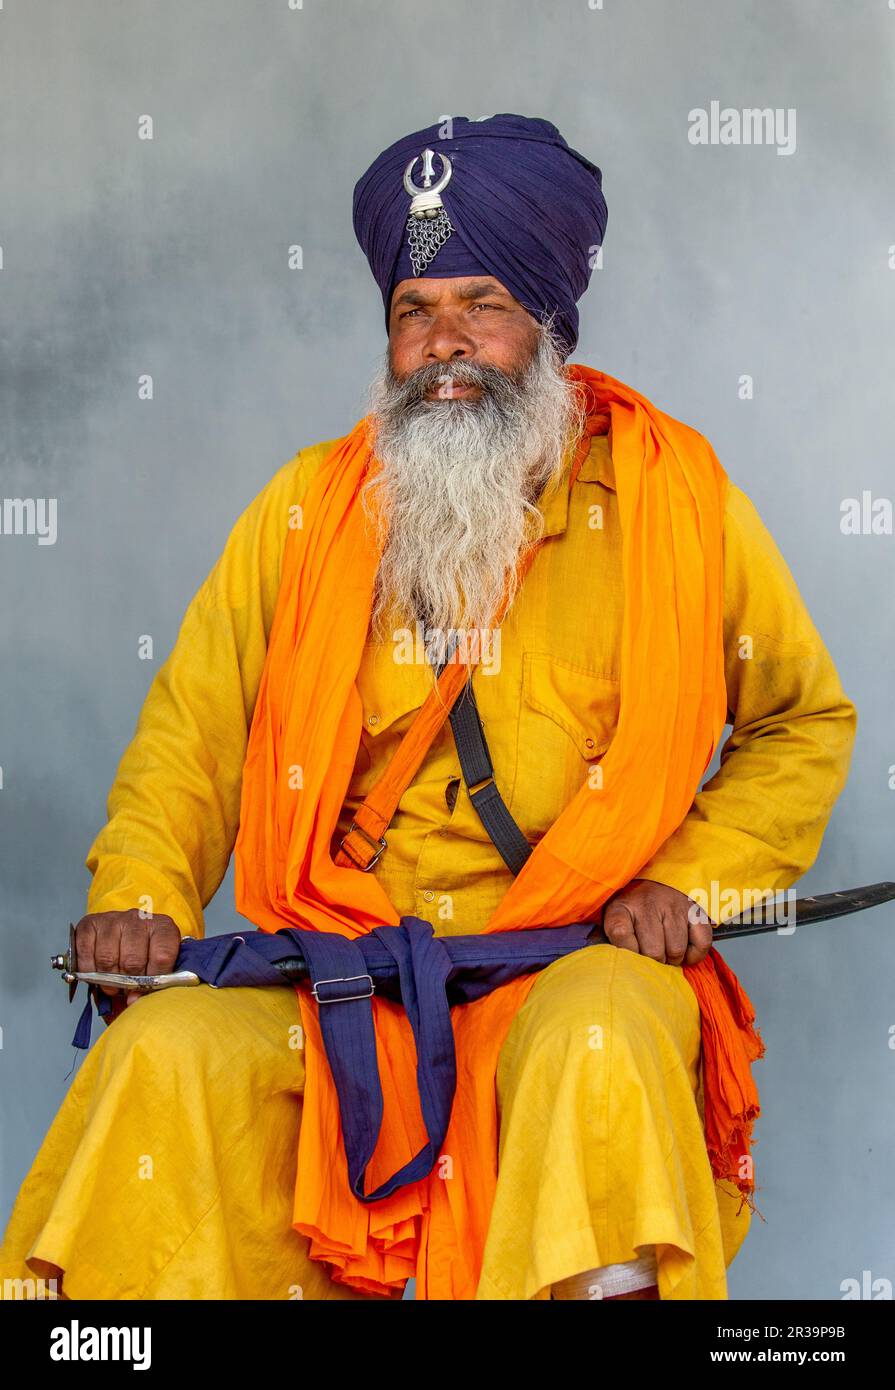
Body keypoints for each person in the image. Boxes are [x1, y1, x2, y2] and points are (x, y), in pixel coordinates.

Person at [0, 114, 856, 1302]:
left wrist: (692, 881)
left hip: (573, 962)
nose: (445, 343)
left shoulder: (677, 501)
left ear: (550, 328)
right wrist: (138, 902)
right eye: (414, 310)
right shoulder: (307, 507)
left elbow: (799, 721)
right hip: (342, 978)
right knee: (165, 1055)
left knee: (598, 1051)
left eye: (483, 303)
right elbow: (189, 738)